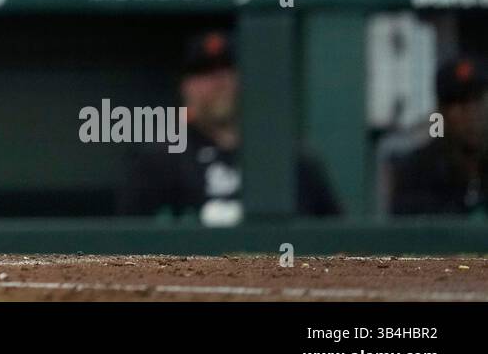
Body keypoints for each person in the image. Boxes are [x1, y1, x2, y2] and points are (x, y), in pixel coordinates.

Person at [118, 30, 340, 224]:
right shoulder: (157, 161)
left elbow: (334, 244)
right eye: (204, 72)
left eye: (227, 69)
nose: (218, 81)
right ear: (185, 86)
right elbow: (128, 249)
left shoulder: (290, 158)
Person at [389, 57, 488, 215]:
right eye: (460, 104)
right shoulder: (419, 172)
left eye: (478, 101)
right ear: (441, 111)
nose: (471, 114)